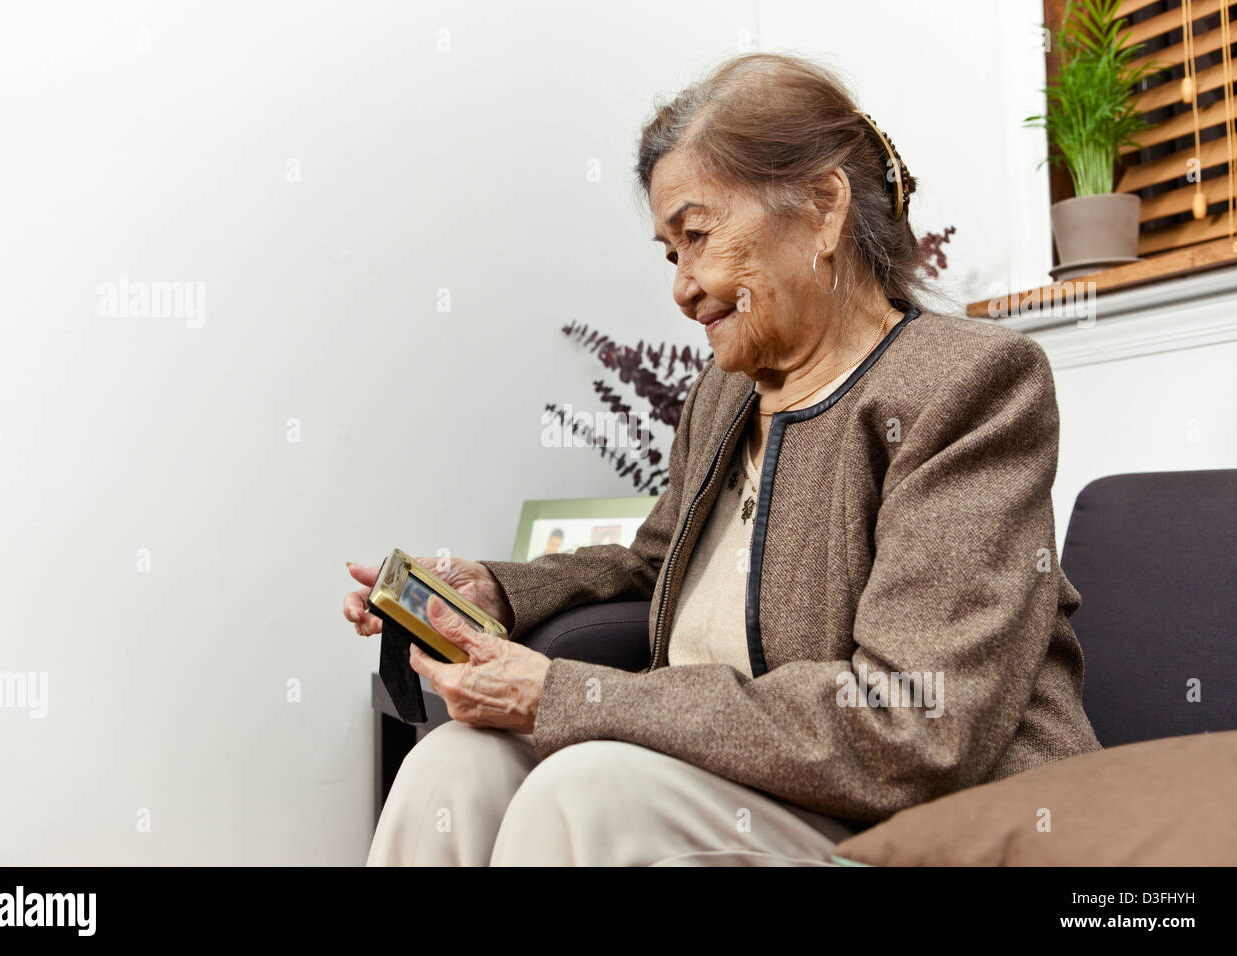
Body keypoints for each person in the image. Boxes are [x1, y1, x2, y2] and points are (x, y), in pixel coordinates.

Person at [343, 51, 1101, 866]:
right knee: (454, 766)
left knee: (587, 791)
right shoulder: (725, 396)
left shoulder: (967, 386)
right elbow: (654, 564)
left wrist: (563, 695)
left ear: (822, 207)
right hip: (752, 791)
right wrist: (497, 588)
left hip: (931, 818)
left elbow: (913, 723)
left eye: (698, 236)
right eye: (671, 253)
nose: (682, 287)